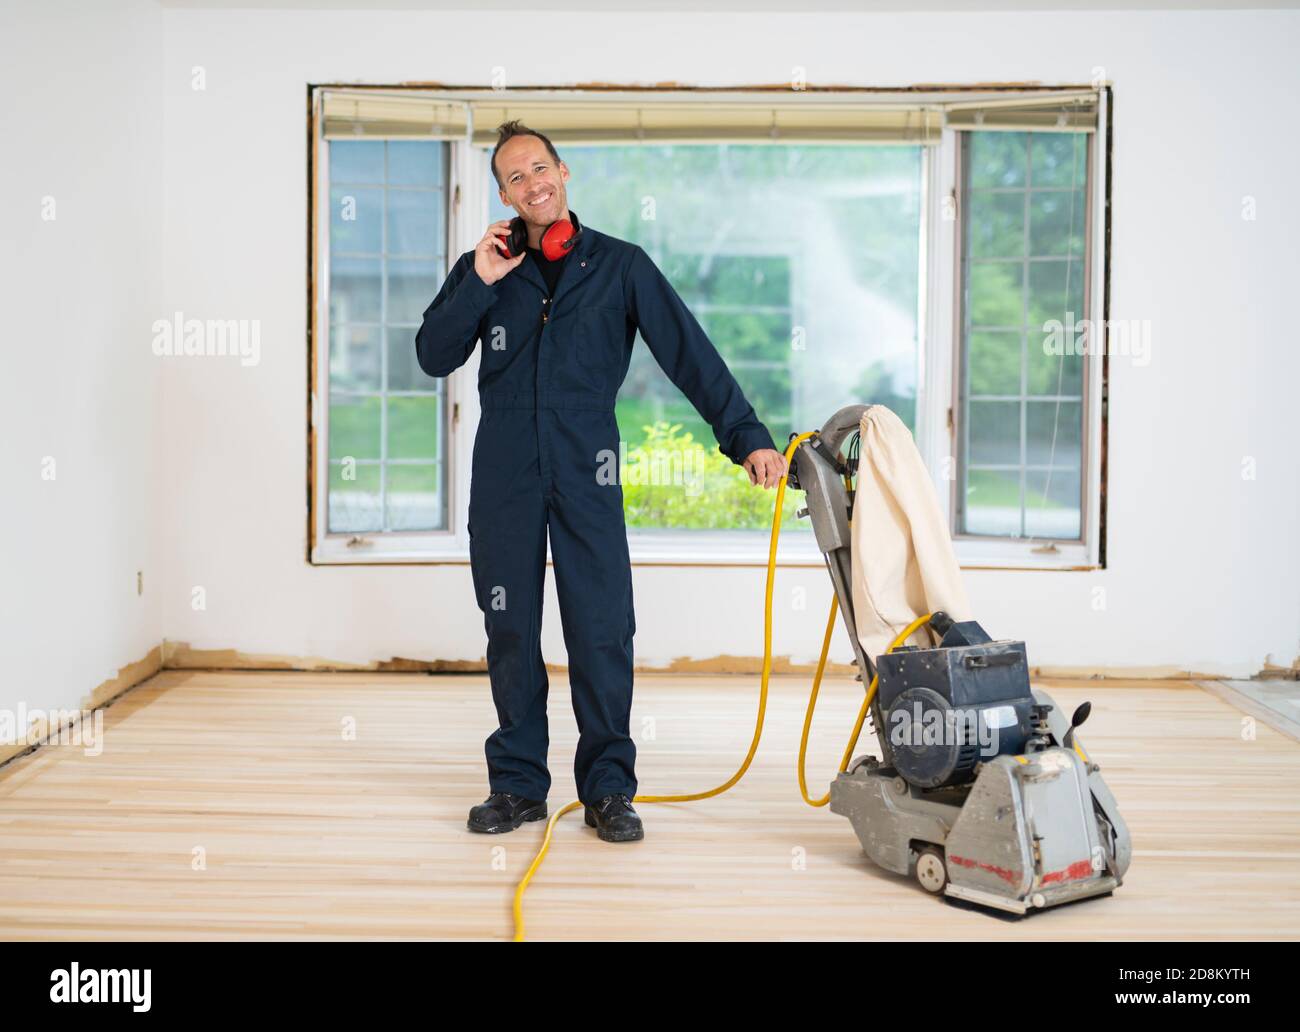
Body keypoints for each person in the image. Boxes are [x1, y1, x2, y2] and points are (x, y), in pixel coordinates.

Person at [414, 120, 786, 843]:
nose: (533, 184)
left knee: (601, 628)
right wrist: (480, 284)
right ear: (503, 193)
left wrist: (747, 438)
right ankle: (518, 785)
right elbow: (432, 354)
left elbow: (691, 354)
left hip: (589, 466)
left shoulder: (621, 266)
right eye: (516, 177)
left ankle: (608, 789)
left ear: (564, 172)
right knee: (511, 628)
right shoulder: (484, 265)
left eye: (540, 168)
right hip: (505, 468)